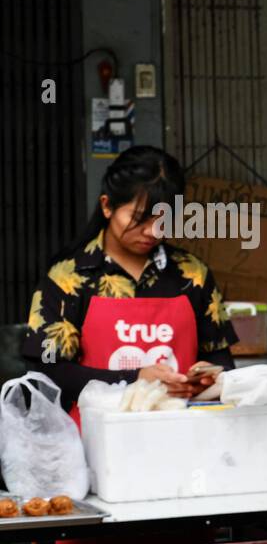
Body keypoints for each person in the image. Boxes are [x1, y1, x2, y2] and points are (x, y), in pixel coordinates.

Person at [21, 146, 236, 412]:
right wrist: (134, 380)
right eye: (139, 218)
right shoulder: (68, 278)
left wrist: (208, 376)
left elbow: (220, 358)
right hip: (92, 441)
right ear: (107, 206)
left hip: (181, 435)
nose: (152, 231)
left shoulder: (192, 275)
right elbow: (47, 371)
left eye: (164, 221)